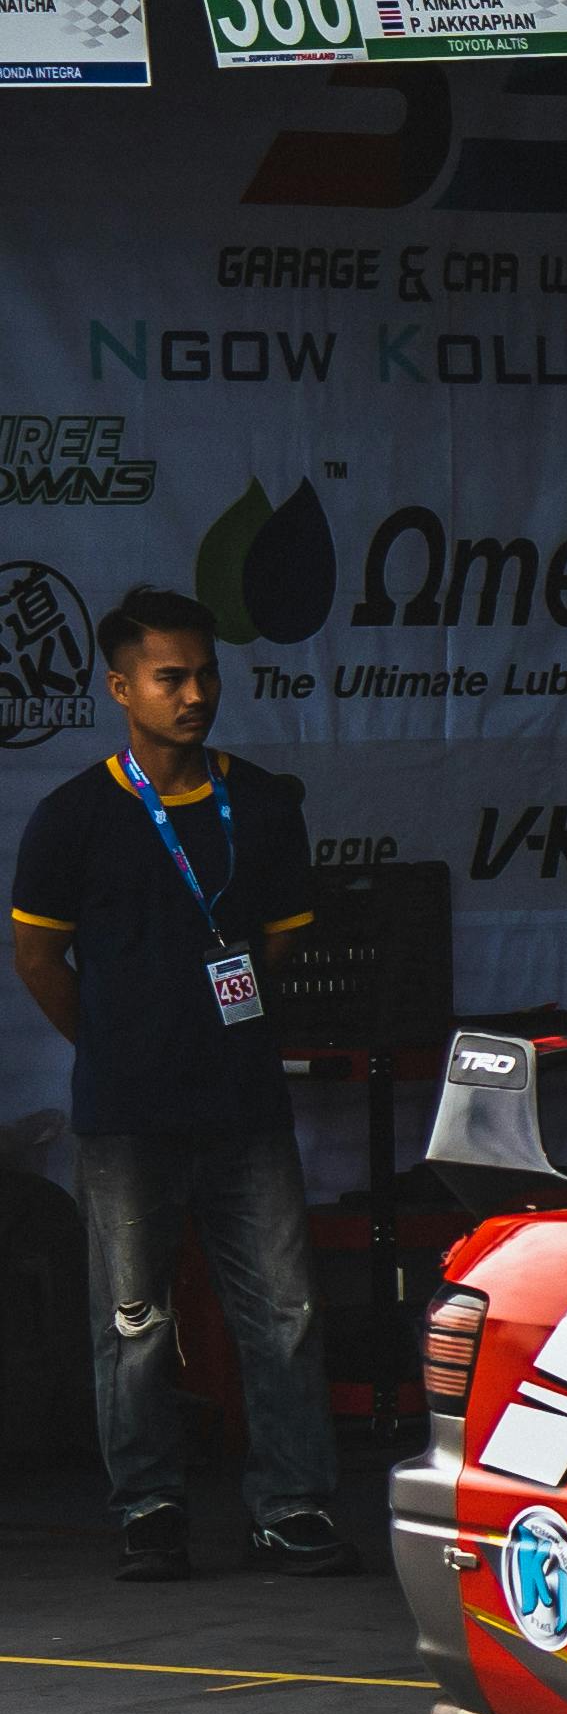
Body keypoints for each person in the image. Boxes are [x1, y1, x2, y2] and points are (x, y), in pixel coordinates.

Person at [9, 589, 339, 1582]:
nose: (195, 694)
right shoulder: (73, 817)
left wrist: (209, 1033)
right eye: (170, 678)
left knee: (282, 1315)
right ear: (120, 689)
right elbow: (37, 960)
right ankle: (149, 1506)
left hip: (243, 1106)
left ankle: (293, 1507)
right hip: (126, 1117)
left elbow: (279, 940)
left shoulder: (265, 803)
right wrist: (115, 1044)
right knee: (132, 1322)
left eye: (206, 674)